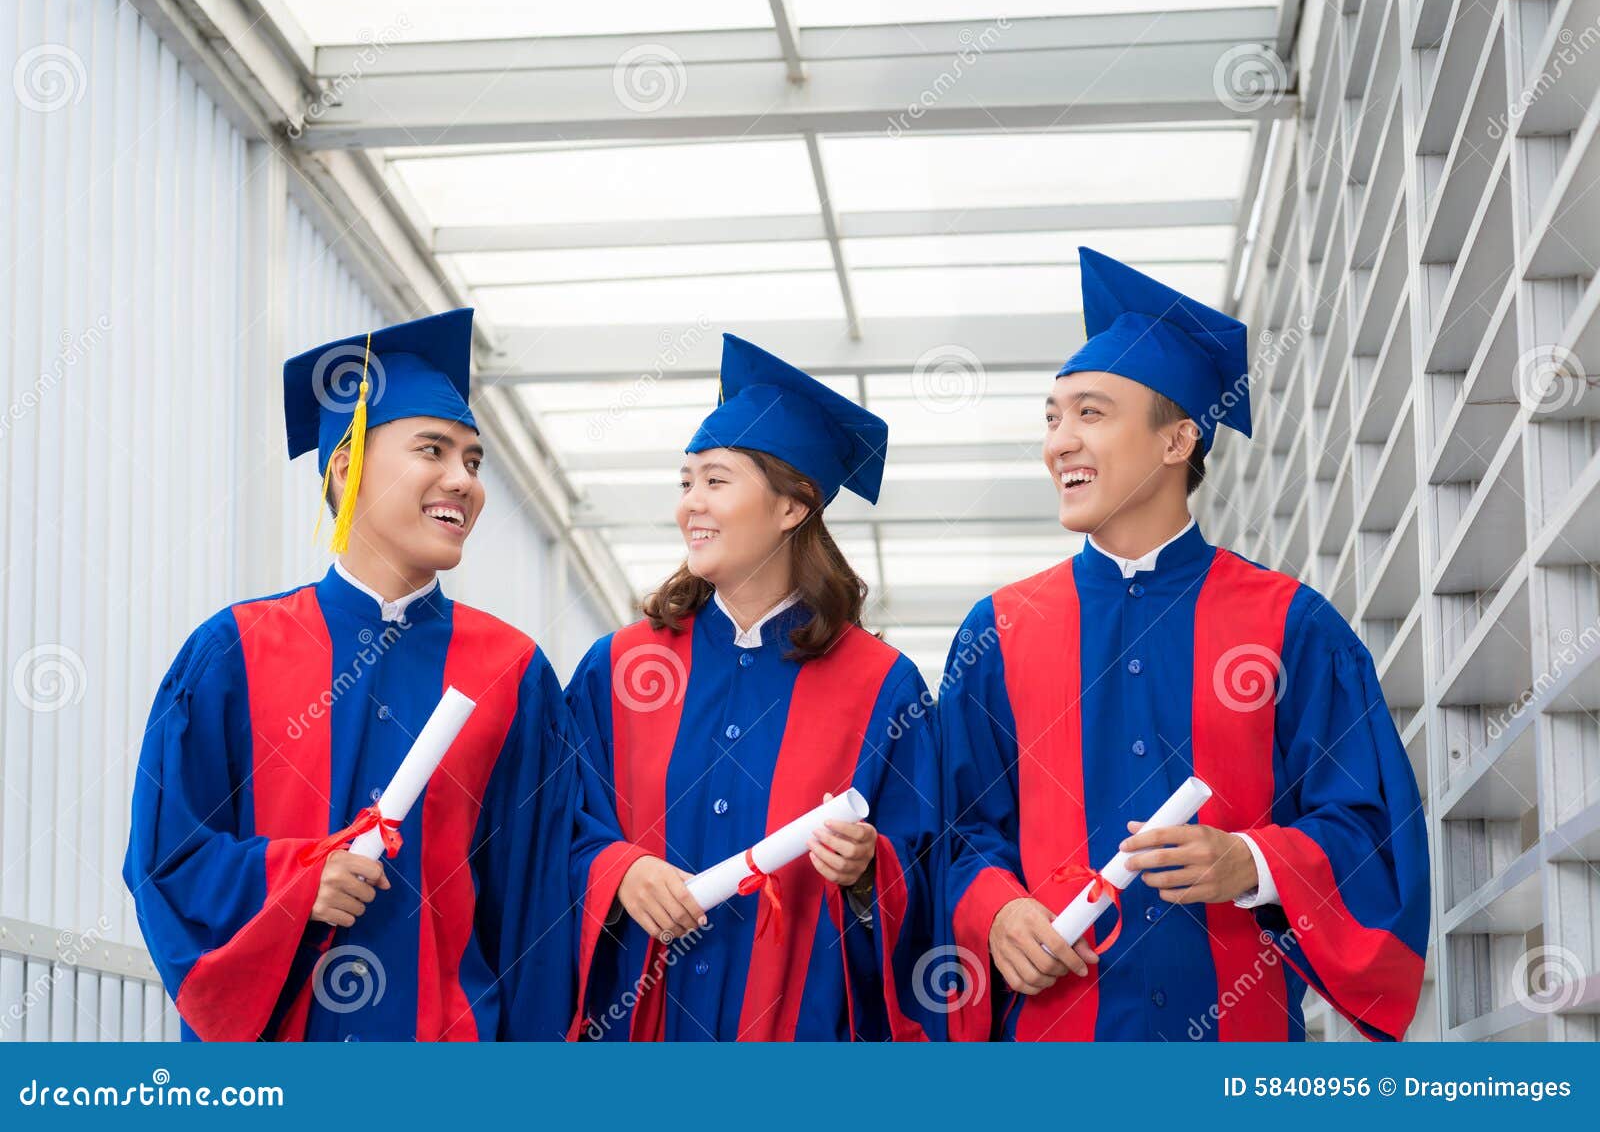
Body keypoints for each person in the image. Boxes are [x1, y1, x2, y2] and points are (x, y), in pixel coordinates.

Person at [939, 248, 1429, 1042]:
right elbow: (958, 828)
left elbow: (1367, 824)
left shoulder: (1292, 626)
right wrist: (996, 910)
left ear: (1177, 442)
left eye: (1090, 414)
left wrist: (1253, 863)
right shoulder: (997, 633)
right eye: (1052, 418)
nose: (1058, 442)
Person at [124, 308, 582, 1041]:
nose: (461, 480)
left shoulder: (513, 672)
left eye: (473, 461)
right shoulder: (234, 651)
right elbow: (167, 859)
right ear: (347, 465)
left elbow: (536, 908)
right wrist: (296, 881)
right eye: (432, 449)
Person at [565, 333, 941, 1041]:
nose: (689, 506)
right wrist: (618, 868)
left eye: (716, 480)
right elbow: (549, 828)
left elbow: (929, 871)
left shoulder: (882, 688)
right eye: (685, 483)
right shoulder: (617, 671)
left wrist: (868, 870)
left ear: (792, 507)